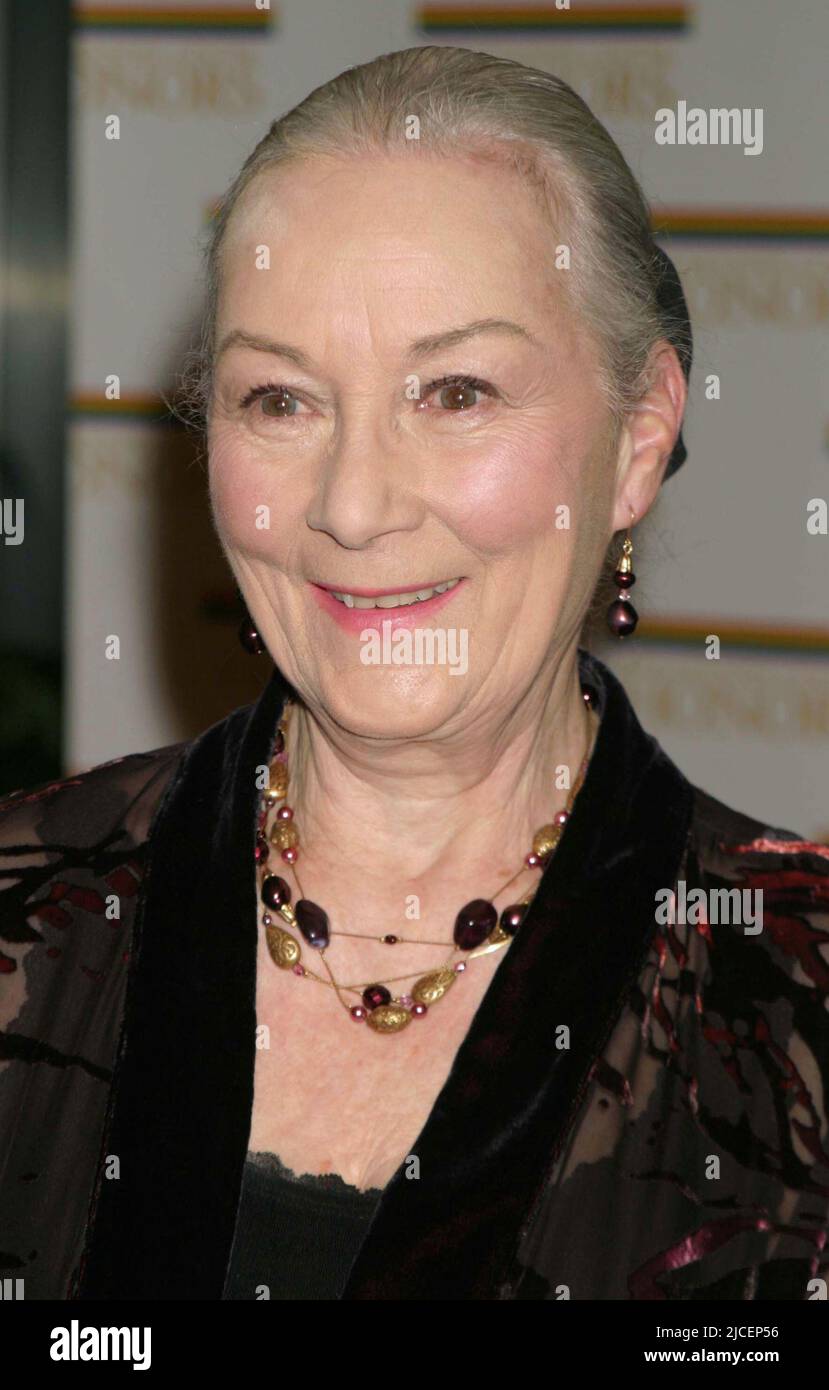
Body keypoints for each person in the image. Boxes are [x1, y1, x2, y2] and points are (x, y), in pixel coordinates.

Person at [1, 46, 827, 1303]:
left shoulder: (796, 1004)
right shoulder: (25, 919)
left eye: (455, 392)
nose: (352, 503)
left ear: (638, 437)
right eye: (279, 400)